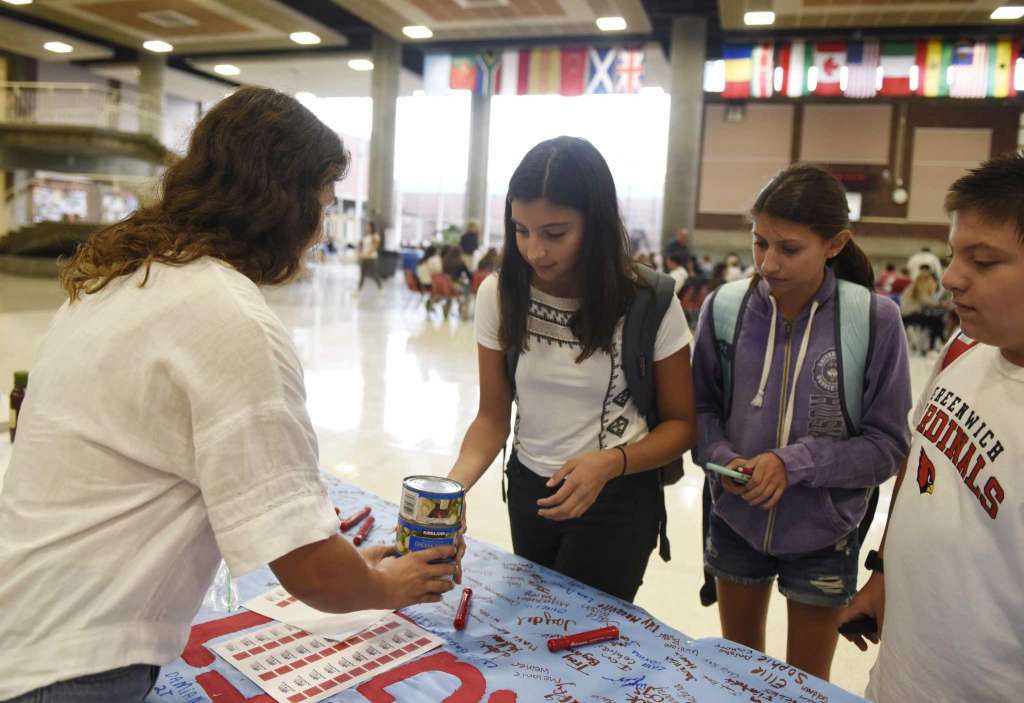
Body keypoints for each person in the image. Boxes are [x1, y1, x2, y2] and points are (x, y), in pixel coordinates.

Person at [0, 88, 461, 703]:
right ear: (285, 205)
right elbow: (309, 569)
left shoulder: (120, 279)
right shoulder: (227, 317)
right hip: (76, 663)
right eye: (321, 206)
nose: (321, 231)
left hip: (25, 620)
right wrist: (391, 588)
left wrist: (360, 568)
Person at [447, 136, 696, 602]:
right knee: (535, 631)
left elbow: (683, 425)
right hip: (530, 492)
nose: (535, 250)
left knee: (587, 645)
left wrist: (610, 463)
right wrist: (450, 491)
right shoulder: (499, 295)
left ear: (596, 225)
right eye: (521, 230)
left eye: (555, 233)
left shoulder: (649, 302)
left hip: (617, 498)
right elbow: (491, 419)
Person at [692, 164, 912, 681]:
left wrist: (794, 464)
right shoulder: (724, 309)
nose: (767, 263)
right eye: (758, 243)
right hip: (735, 521)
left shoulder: (874, 321)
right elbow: (698, 413)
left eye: (789, 249)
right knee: (738, 674)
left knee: (805, 688)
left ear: (836, 244)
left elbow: (887, 447)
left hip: (826, 530)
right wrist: (727, 462)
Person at [839, 152, 1024, 703]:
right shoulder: (966, 346)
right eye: (953, 254)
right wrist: (883, 572)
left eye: (983, 262)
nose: (950, 277)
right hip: (903, 672)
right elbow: (923, 462)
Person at [899, 267, 945, 354]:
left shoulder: (913, 287)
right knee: (936, 320)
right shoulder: (918, 289)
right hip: (909, 315)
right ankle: (934, 345)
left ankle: (936, 344)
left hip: (908, 315)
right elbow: (927, 302)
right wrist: (942, 304)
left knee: (935, 320)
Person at [358, 221, 382, 290]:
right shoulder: (366, 236)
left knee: (374, 274)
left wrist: (367, 254)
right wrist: (361, 253)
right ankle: (358, 290)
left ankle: (380, 288)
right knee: (362, 274)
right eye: (367, 226)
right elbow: (362, 245)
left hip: (372, 258)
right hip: (364, 258)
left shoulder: (375, 236)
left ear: (372, 227)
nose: (367, 228)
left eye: (368, 226)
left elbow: (374, 247)